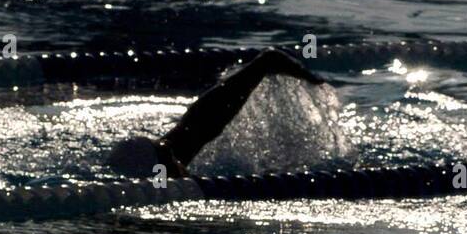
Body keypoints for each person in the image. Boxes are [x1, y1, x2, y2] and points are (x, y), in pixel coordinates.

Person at [107, 47, 328, 178]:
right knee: (191, 133)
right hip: (143, 156)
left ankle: (262, 65)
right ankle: (261, 66)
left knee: (192, 134)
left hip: (144, 160)